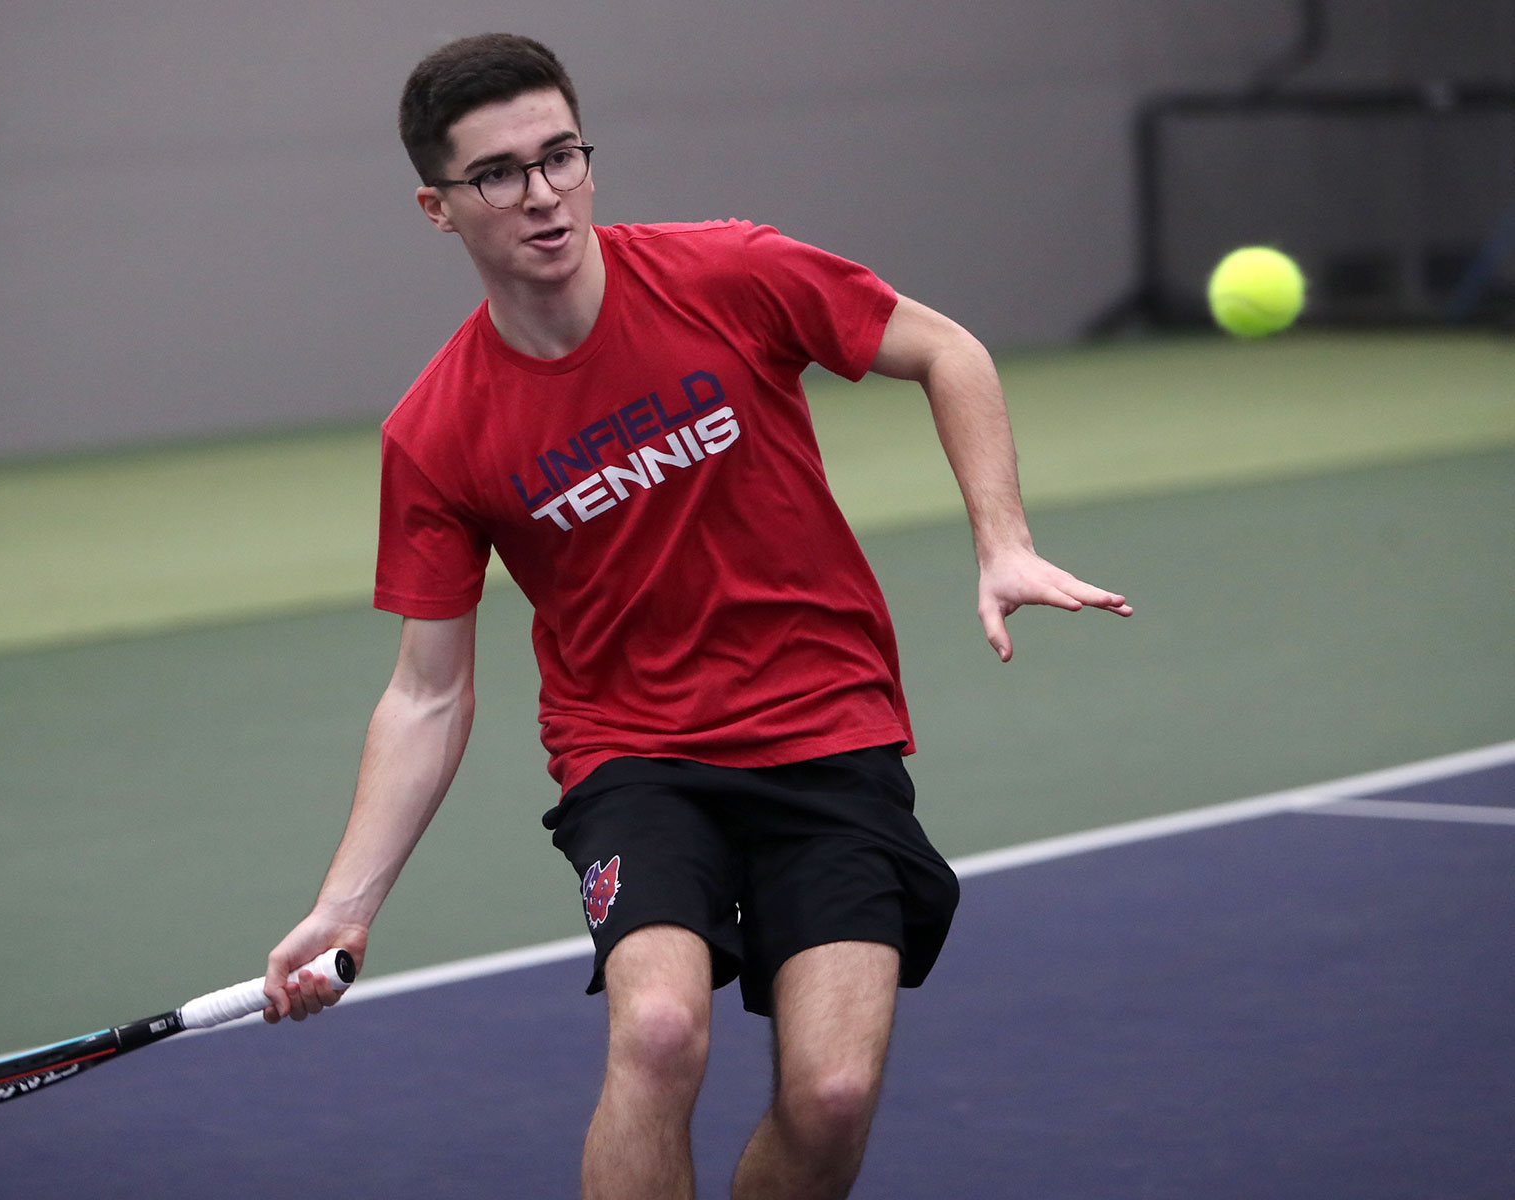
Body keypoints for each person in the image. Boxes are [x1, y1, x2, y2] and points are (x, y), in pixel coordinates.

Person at [261, 32, 1131, 1200]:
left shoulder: (727, 273)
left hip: (825, 728)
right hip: (635, 755)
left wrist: (1002, 538)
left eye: (559, 154)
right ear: (436, 206)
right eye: (499, 173)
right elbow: (427, 690)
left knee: (828, 1097)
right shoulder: (435, 433)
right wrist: (343, 904)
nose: (543, 193)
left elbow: (944, 349)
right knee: (660, 1032)